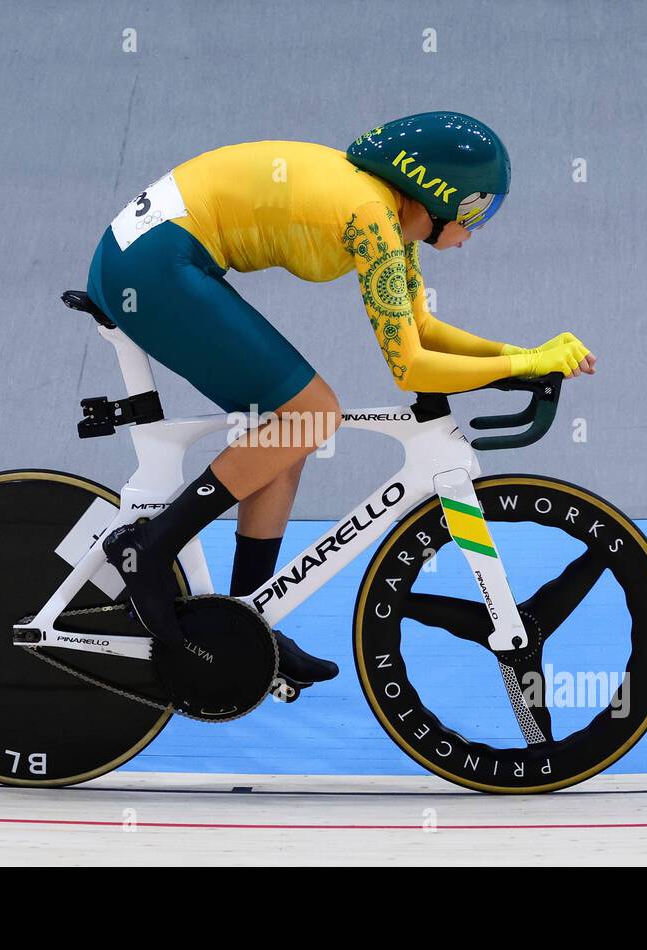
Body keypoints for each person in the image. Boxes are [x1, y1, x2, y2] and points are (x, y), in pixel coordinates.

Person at [86, 111, 595, 688]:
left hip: (155, 252)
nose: (475, 230)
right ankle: (150, 549)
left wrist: (522, 356)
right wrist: (524, 365)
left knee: (288, 432)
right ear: (436, 194)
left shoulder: (388, 214)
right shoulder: (370, 217)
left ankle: (248, 615)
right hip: (151, 266)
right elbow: (411, 367)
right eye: (476, 210)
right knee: (311, 415)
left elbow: (421, 330)